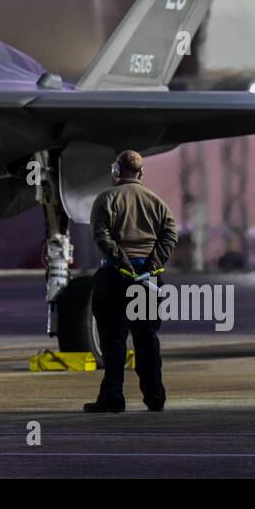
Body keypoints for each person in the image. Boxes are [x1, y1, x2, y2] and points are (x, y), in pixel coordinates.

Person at [84, 149, 177, 413]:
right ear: (141, 173)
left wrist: (122, 261)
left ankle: (112, 397)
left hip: (115, 277)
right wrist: (152, 264)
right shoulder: (157, 202)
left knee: (113, 341)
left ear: (116, 171)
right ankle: (155, 397)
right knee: (147, 339)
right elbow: (170, 235)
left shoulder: (106, 199)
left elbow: (100, 236)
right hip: (148, 281)